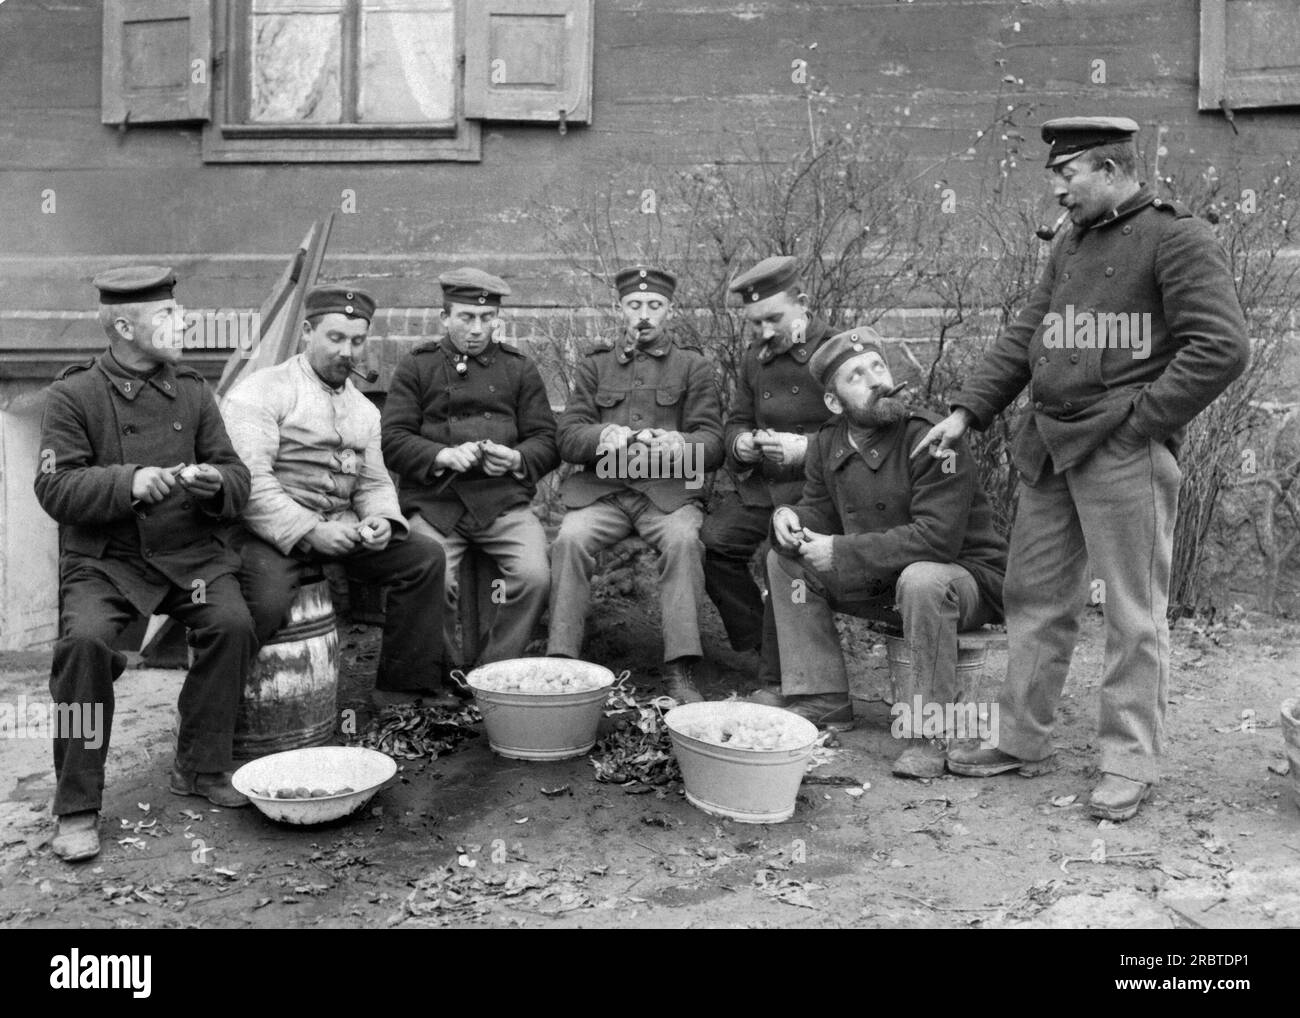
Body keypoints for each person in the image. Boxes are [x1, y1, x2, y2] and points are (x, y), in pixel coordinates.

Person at [914, 117, 1250, 819]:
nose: (1059, 190)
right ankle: (1018, 738)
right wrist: (967, 411)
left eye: (1067, 175)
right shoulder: (1071, 242)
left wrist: (1141, 424)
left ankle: (1129, 761)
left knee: (1133, 612)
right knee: (1034, 596)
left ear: (1107, 167)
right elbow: (1025, 335)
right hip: (1050, 446)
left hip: (1121, 451)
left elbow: (1219, 348)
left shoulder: (1178, 237)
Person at [34, 266, 257, 862]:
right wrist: (131, 481)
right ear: (125, 326)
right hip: (108, 562)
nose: (184, 322)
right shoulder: (73, 395)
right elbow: (55, 489)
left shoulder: (191, 389)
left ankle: (202, 767)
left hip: (189, 556)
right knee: (83, 647)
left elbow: (237, 474)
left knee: (231, 624)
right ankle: (77, 804)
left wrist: (215, 482)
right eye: (168, 315)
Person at [759, 329, 1007, 773]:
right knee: (784, 560)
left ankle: (929, 734)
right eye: (857, 375)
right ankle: (823, 697)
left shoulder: (933, 438)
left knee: (923, 579)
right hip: (888, 581)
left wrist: (841, 552)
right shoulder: (828, 441)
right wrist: (789, 518)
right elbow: (819, 507)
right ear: (835, 402)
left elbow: (936, 540)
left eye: (879, 366)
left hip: (963, 581)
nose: (876, 379)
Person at [223, 285, 451, 704]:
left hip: (341, 532)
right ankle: (232, 710)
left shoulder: (364, 409)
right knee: (265, 603)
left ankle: (401, 688)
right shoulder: (262, 391)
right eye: (335, 338)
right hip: (268, 534)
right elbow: (250, 482)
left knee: (423, 558)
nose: (348, 351)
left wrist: (382, 520)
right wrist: (310, 530)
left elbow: (374, 483)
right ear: (307, 332)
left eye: (357, 340)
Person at [548, 266, 724, 702]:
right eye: (634, 305)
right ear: (620, 308)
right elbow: (568, 436)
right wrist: (600, 437)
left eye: (654, 306)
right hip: (603, 492)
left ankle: (680, 669)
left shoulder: (693, 367)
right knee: (570, 537)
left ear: (670, 310)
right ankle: (562, 662)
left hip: (666, 496)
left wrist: (678, 443)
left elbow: (714, 444)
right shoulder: (595, 366)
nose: (644, 315)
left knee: (684, 541)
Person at [381, 268, 558, 666]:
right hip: (436, 503)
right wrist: (440, 456)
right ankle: (447, 671)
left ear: (497, 319)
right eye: (466, 317)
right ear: (445, 318)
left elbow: (547, 441)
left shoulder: (518, 369)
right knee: (433, 578)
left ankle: (492, 670)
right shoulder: (418, 366)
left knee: (535, 577)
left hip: (502, 503)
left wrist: (517, 458)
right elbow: (392, 440)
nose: (477, 329)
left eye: (486, 318)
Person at [701, 256, 834, 668]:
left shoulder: (837, 350)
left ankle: (790, 666)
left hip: (821, 492)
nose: (764, 332)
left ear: (804, 303)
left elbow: (864, 433)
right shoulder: (754, 358)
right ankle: (764, 645)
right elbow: (737, 419)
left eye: (772, 319)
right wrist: (741, 444)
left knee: (784, 553)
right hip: (763, 488)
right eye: (755, 323)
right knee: (713, 545)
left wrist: (804, 449)